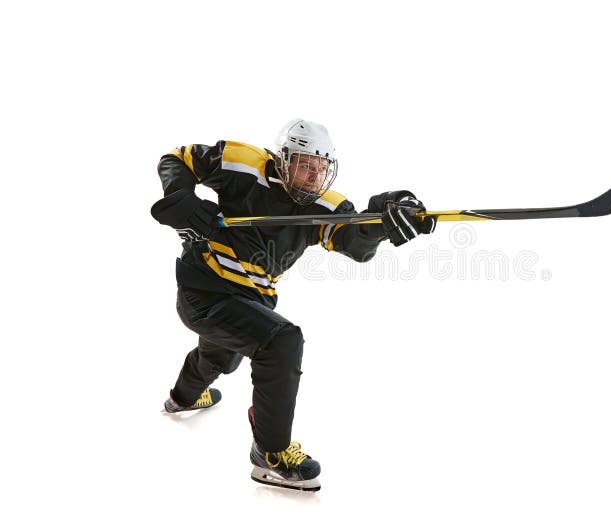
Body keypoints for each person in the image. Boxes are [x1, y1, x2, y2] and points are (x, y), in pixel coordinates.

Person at [150, 119, 436, 491]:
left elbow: (354, 242)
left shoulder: (325, 204)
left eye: (320, 168)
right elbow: (177, 158)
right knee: (281, 342)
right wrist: (183, 200)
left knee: (220, 356)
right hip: (202, 288)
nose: (312, 176)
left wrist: (380, 221)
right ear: (282, 160)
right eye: (304, 164)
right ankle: (270, 454)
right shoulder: (241, 162)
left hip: (252, 298)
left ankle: (181, 399)